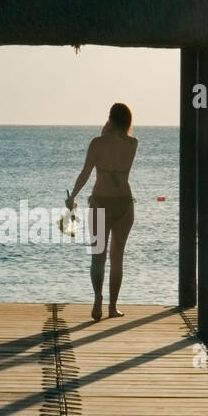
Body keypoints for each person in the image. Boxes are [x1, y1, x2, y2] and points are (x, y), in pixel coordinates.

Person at [67, 103, 137, 321]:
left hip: (100, 201)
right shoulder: (133, 143)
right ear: (127, 121)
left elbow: (86, 172)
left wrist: (73, 197)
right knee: (118, 258)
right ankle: (113, 307)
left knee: (98, 257)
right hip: (124, 203)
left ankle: (98, 299)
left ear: (109, 119)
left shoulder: (97, 143)